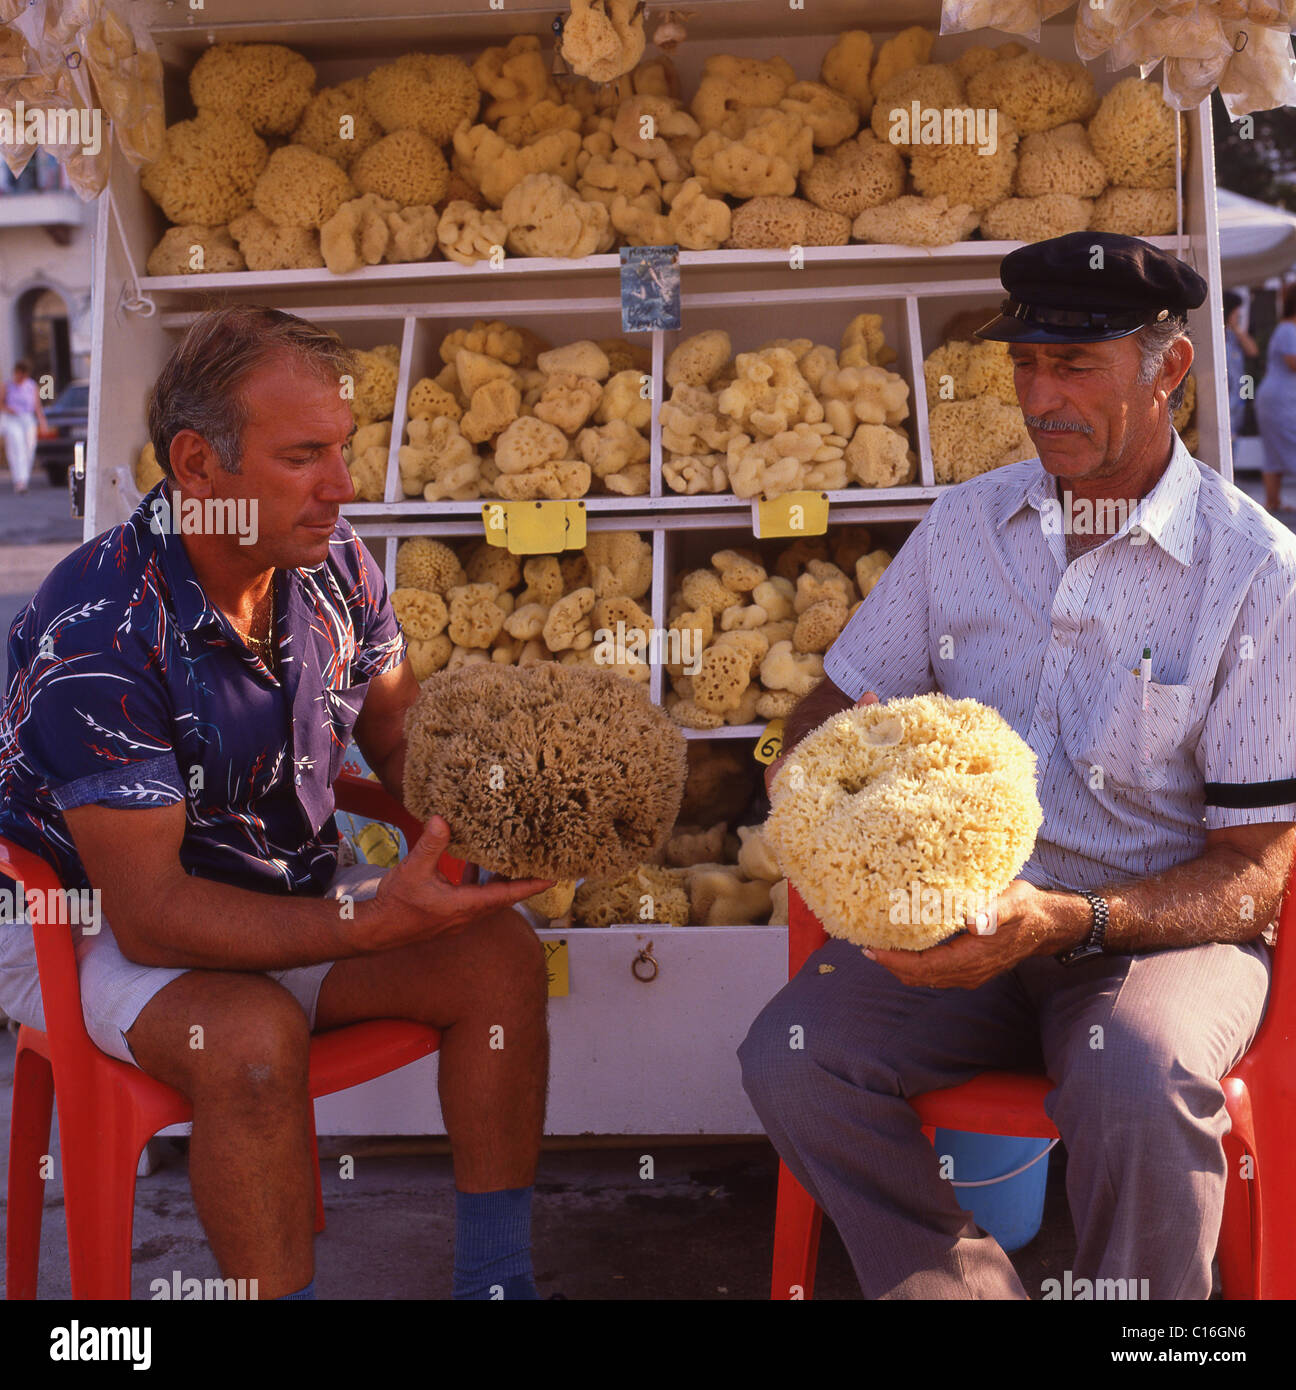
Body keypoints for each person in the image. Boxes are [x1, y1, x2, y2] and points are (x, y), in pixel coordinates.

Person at [740, 232, 1296, 1300]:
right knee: (792, 1057)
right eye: (1025, 363)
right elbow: (837, 701)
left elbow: (1256, 869)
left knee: (1137, 1071)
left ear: (1168, 369)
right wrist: (809, 782)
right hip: (962, 927)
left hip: (1156, 933)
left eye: (1075, 366)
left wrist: (1072, 921)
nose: (1040, 395)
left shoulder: (1254, 570)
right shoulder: (965, 526)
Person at [0, 307, 557, 1300]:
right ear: (198, 466)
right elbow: (153, 915)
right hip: (82, 923)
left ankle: (498, 1286)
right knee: (250, 1043)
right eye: (305, 455)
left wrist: (526, 812)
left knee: (501, 958)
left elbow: (403, 740)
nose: (342, 487)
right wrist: (373, 917)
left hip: (273, 880)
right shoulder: (102, 625)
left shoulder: (332, 566)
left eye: (342, 450)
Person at [1256, 281, 1296, 514]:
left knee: (1274, 451)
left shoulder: (1287, 329)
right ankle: (1272, 502)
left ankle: (1273, 502)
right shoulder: (1288, 330)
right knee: (1284, 445)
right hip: (1281, 400)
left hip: (1278, 398)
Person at [0, 359, 48, 495]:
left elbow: (37, 406)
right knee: (17, 447)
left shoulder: (31, 386)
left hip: (27, 419)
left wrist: (42, 422)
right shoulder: (7, 385)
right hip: (12, 419)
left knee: (29, 448)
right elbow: (1, 403)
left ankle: (24, 479)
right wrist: (8, 409)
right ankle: (19, 481)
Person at [1222, 289, 1257, 448]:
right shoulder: (1221, 337)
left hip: (1240, 396)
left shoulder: (1235, 336)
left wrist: (1236, 328)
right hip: (1228, 401)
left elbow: (1253, 351)